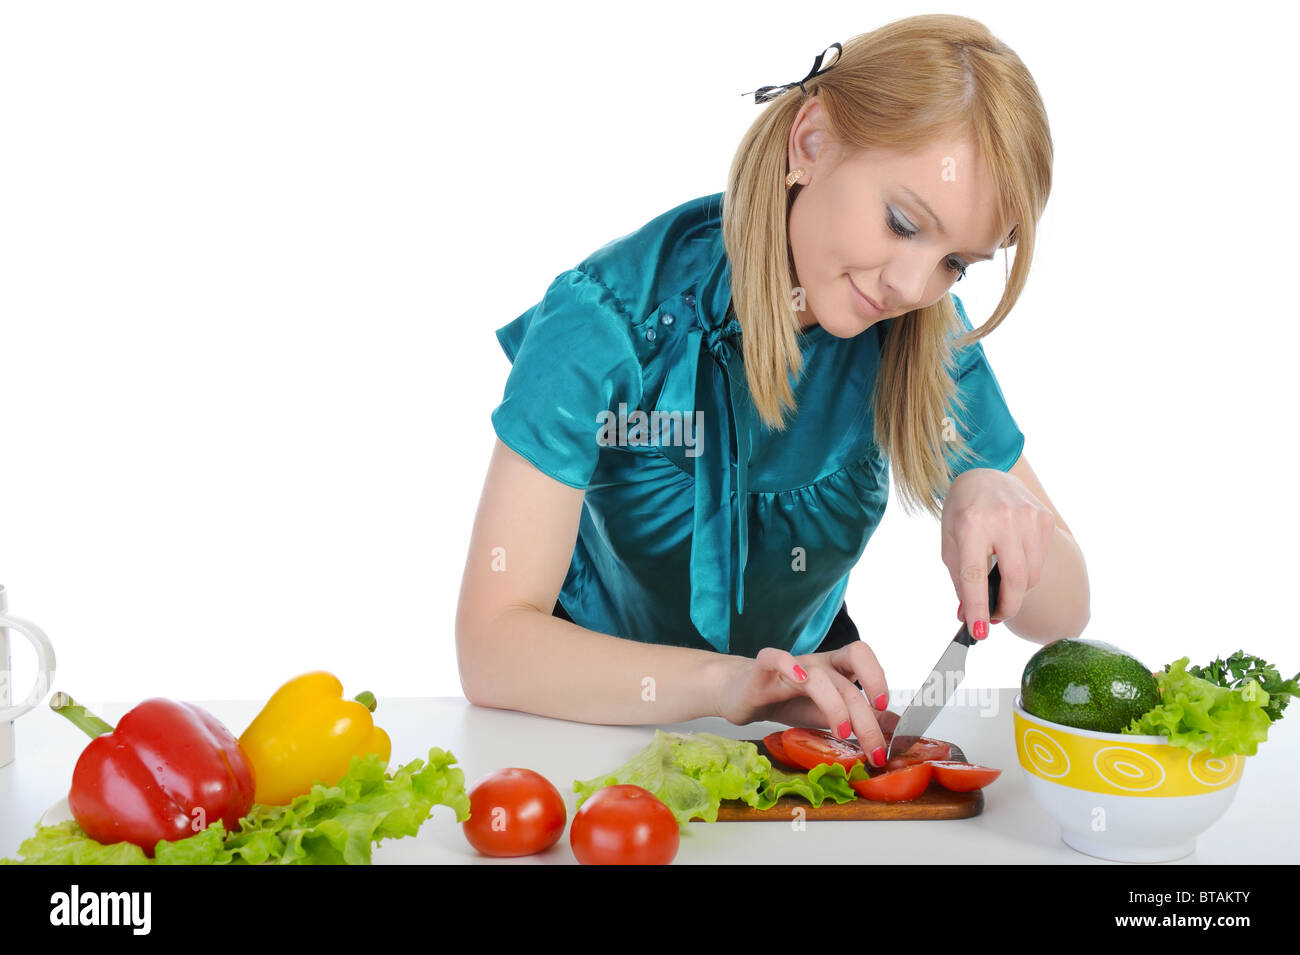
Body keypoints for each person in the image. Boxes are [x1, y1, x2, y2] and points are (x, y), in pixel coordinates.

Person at [456, 14, 1090, 769]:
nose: (911, 285)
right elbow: (491, 648)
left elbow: (1064, 616)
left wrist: (997, 499)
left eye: (956, 263)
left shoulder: (921, 333)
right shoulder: (607, 321)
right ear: (811, 142)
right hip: (586, 710)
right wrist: (728, 685)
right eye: (901, 223)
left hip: (801, 704)